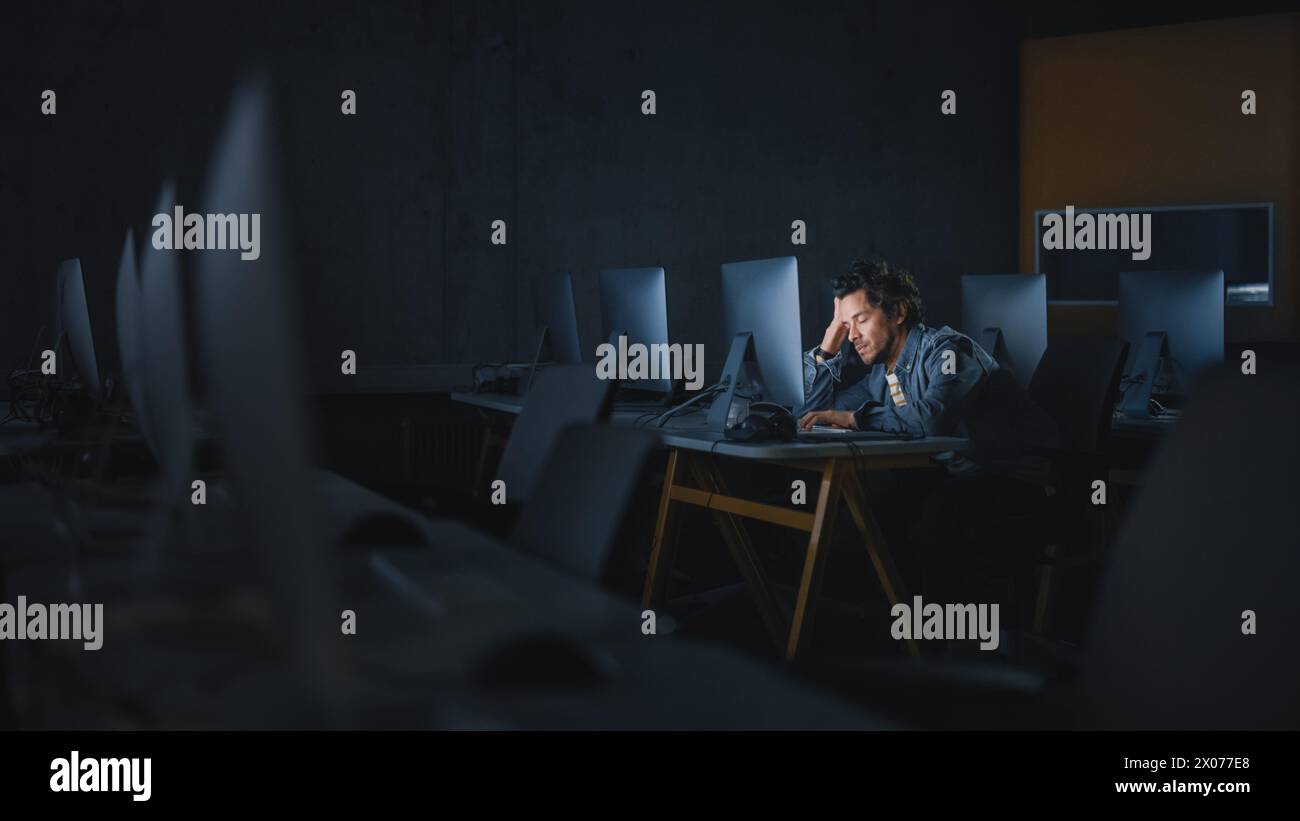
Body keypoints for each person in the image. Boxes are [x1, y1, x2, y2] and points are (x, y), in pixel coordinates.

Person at [798, 258, 1057, 626]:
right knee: (864, 509)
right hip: (954, 475)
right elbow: (815, 414)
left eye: (861, 320)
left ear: (898, 312)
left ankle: (941, 642)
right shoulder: (880, 375)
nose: (851, 334)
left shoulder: (949, 352)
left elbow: (931, 419)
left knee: (928, 518)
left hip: (1011, 478)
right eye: (845, 324)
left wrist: (856, 418)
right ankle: (886, 633)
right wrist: (826, 350)